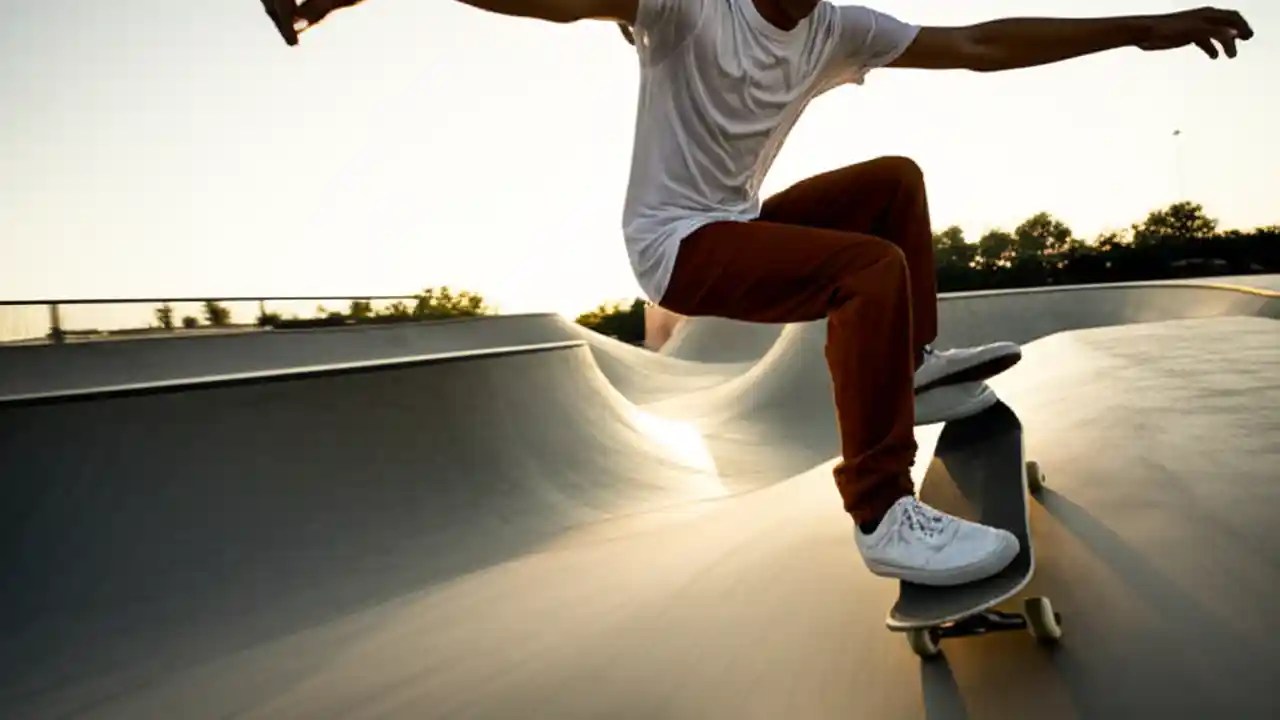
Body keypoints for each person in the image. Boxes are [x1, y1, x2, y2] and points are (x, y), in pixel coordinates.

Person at [284, 0, 1252, 586]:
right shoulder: (686, 7)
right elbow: (556, 4)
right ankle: (879, 514)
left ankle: (907, 369)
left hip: (735, 225)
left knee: (893, 186)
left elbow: (977, 45)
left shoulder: (837, 26)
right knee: (863, 271)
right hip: (671, 250)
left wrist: (1145, 28)